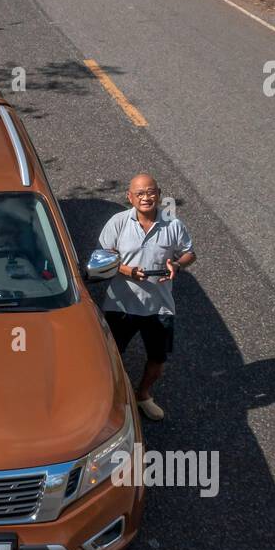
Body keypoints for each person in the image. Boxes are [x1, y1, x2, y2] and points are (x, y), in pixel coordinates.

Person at [97, 173, 196, 420]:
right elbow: (102, 256)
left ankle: (143, 395)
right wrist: (126, 270)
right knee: (111, 356)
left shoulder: (173, 225)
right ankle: (114, 398)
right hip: (121, 305)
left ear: (159, 194)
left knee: (158, 358)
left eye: (151, 192)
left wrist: (178, 264)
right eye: (140, 193)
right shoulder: (117, 222)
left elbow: (189, 253)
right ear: (129, 197)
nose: (146, 197)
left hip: (159, 307)